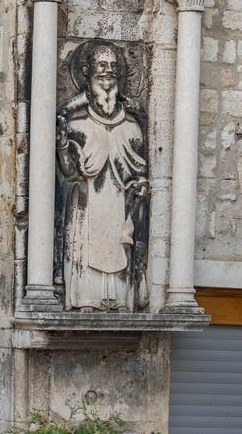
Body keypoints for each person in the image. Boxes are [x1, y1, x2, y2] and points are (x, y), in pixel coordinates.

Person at [55, 41, 149, 311]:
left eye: (113, 66)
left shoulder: (131, 126)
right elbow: (69, 172)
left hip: (119, 208)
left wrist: (139, 185)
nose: (108, 72)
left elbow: (138, 171)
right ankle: (86, 299)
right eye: (102, 65)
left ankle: (121, 300)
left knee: (119, 252)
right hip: (85, 209)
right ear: (87, 71)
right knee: (88, 255)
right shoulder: (76, 124)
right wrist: (63, 144)